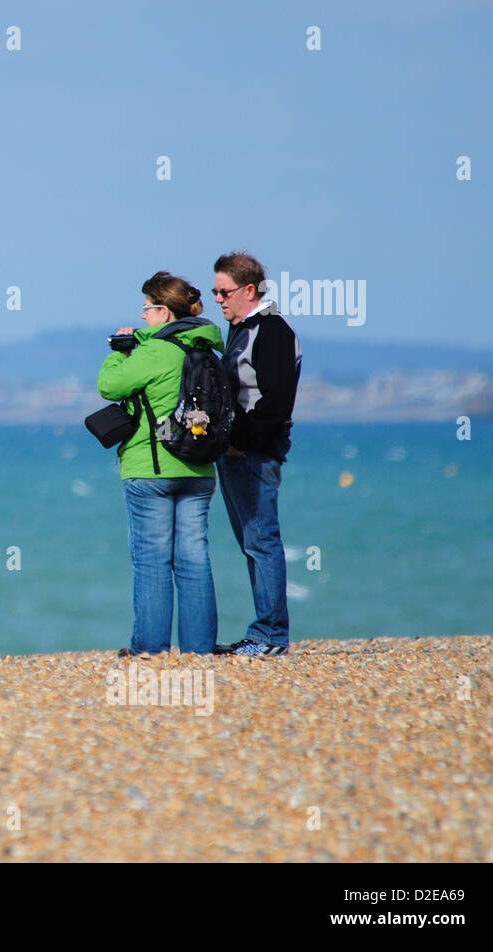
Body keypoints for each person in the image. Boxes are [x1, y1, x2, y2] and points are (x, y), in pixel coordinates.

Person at [97, 271, 224, 656]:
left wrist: (118, 352)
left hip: (151, 468)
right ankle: (199, 649)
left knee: (152, 561)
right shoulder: (205, 351)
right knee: (194, 559)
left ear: (165, 312)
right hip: (199, 469)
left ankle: (150, 649)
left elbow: (110, 386)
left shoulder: (155, 351)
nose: (143, 319)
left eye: (147, 310)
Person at [209, 251, 302, 657]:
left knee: (262, 541)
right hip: (235, 454)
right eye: (214, 292)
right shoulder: (241, 329)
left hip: (255, 455)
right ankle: (263, 632)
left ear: (249, 290)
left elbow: (276, 404)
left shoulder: (273, 332)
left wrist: (239, 440)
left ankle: (271, 636)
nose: (218, 299)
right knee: (251, 542)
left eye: (224, 291)